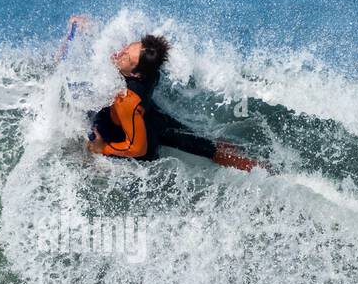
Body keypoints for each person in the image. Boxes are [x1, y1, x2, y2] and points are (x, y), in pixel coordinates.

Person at [66, 16, 258, 171]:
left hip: (141, 142)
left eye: (126, 56)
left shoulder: (126, 100)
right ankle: (257, 160)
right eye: (126, 48)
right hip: (153, 117)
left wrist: (104, 148)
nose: (120, 53)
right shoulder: (149, 67)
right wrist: (92, 30)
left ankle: (262, 171)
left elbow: (138, 148)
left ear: (135, 73)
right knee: (207, 145)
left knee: (208, 149)